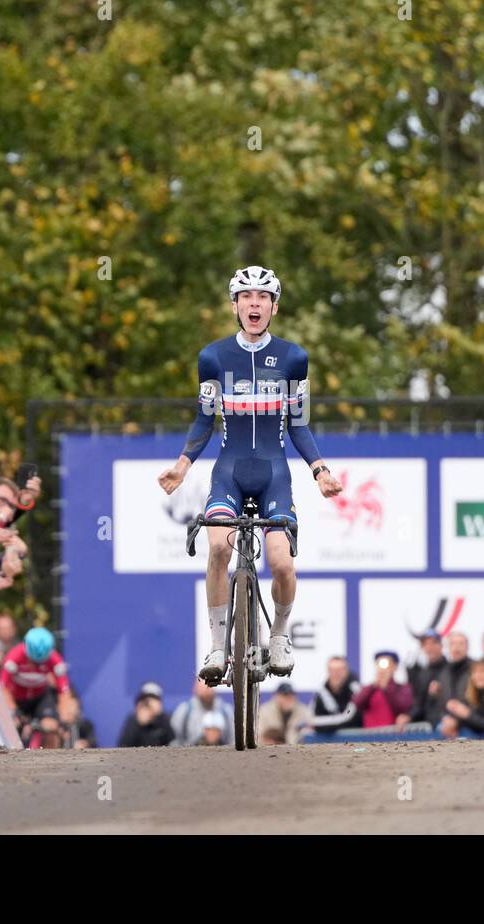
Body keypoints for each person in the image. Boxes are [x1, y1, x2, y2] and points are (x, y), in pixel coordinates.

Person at [157, 266, 343, 684]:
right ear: (235, 306)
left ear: (274, 307)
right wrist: (182, 466)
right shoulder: (213, 357)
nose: (254, 304)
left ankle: (278, 636)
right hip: (230, 472)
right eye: (246, 297)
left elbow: (298, 423)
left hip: (274, 473)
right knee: (219, 548)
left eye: (262, 297)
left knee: (281, 563)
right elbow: (204, 420)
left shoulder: (294, 358)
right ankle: (218, 645)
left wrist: (320, 470)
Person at [0, 628, 71, 748]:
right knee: (12, 724)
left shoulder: (55, 660)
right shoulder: (13, 657)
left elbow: (64, 691)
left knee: (51, 726)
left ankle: (52, 761)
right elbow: (3, 688)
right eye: (32, 660)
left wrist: (63, 720)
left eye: (40, 662)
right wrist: (14, 710)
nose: (35, 665)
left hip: (40, 697)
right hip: (17, 698)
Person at [440, 659, 484, 738]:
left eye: (483, 672)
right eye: (475, 672)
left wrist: (467, 714)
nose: (479, 676)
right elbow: (473, 720)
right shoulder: (472, 694)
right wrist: (454, 720)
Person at [350, 651, 413, 728]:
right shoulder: (369, 689)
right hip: (370, 735)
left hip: (394, 735)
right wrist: (374, 686)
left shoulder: (403, 688)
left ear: (395, 667)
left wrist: (386, 688)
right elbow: (357, 703)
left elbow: (403, 707)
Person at [171, 679, 234, 747]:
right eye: (203, 687)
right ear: (195, 689)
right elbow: (175, 739)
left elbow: (234, 739)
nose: (207, 691)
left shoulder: (226, 711)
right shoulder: (184, 711)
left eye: (209, 686)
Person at [308, 656, 361, 733]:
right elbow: (311, 717)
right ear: (328, 671)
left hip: (355, 740)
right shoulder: (321, 691)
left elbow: (348, 716)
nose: (336, 674)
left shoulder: (356, 690)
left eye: (340, 670)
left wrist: (317, 724)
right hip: (328, 741)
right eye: (332, 670)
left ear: (346, 671)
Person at [405, 629, 447, 726]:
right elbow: (419, 704)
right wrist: (409, 716)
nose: (430, 648)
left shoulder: (450, 669)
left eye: (433, 643)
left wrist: (441, 692)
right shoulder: (422, 673)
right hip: (428, 727)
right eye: (426, 644)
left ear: (441, 646)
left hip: (444, 725)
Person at [118, 682, 174, 747]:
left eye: (153, 699)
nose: (149, 703)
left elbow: (173, 744)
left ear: (159, 703)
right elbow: (123, 745)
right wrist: (139, 723)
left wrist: (157, 718)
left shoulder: (165, 719)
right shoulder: (133, 719)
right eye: (145, 700)